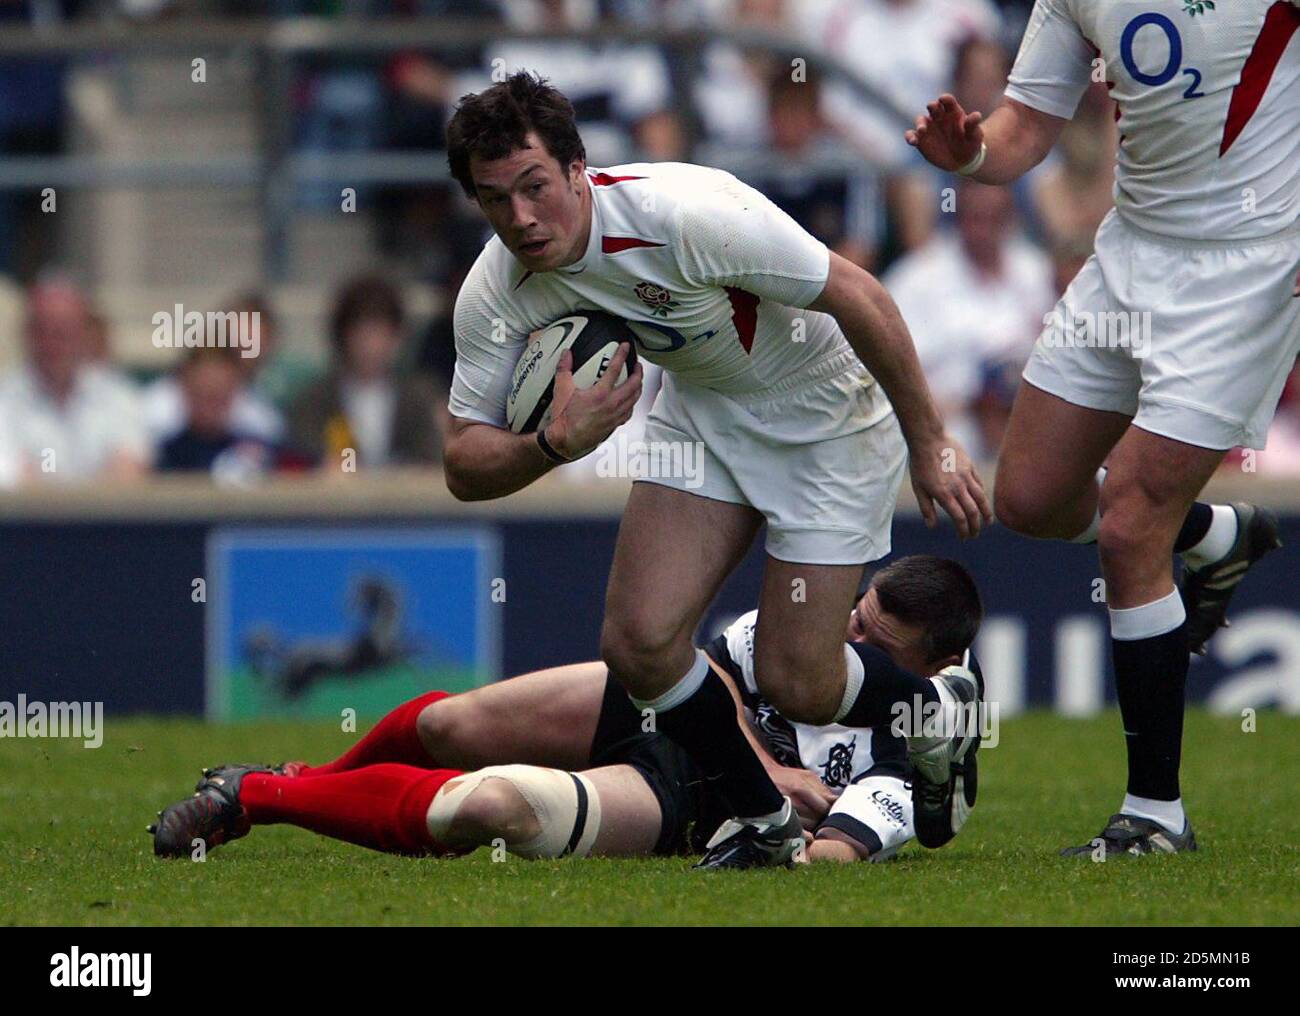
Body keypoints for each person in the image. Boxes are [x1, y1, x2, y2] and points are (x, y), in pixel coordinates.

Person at [440, 72, 990, 869]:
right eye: (495, 199)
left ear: (576, 168)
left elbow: (860, 295)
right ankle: (763, 820)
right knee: (638, 644)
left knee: (798, 680)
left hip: (827, 417)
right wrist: (552, 445)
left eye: (534, 187)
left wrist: (931, 439)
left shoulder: (689, 213)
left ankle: (933, 715)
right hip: (706, 409)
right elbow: (462, 463)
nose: (521, 218)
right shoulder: (495, 290)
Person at [905, 0, 1299, 856]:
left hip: (1247, 265)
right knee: (1030, 496)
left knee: (1128, 527)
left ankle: (1155, 816)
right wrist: (968, 152)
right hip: (1130, 251)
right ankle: (1216, 537)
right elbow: (1021, 131)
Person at [150, 556, 984, 865]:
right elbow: (705, 670)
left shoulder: (919, 756)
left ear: (936, 670)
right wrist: (771, 771)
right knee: (448, 727)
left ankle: (255, 796)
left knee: (491, 804)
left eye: (871, 637)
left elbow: (839, 853)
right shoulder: (808, 627)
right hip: (663, 708)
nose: (842, 634)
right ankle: (306, 781)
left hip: (684, 797)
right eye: (856, 609)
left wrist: (789, 827)